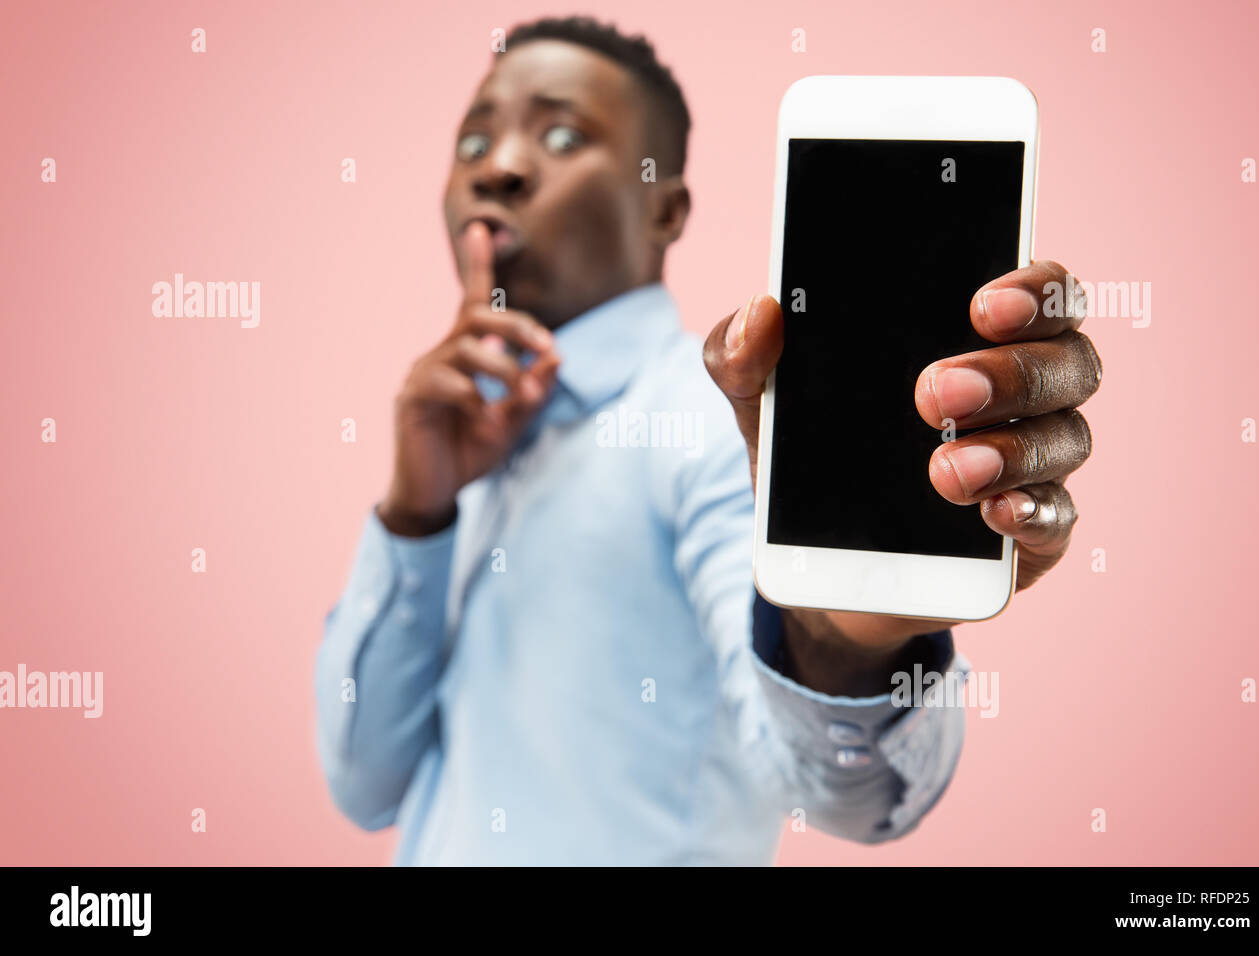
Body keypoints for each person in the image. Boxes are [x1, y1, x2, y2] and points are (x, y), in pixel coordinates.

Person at [314, 16, 1101, 865]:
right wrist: (415, 513)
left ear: (667, 206)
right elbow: (364, 784)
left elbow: (850, 798)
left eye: (562, 134)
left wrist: (845, 646)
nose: (496, 167)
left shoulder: (704, 424)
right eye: (473, 139)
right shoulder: (467, 441)